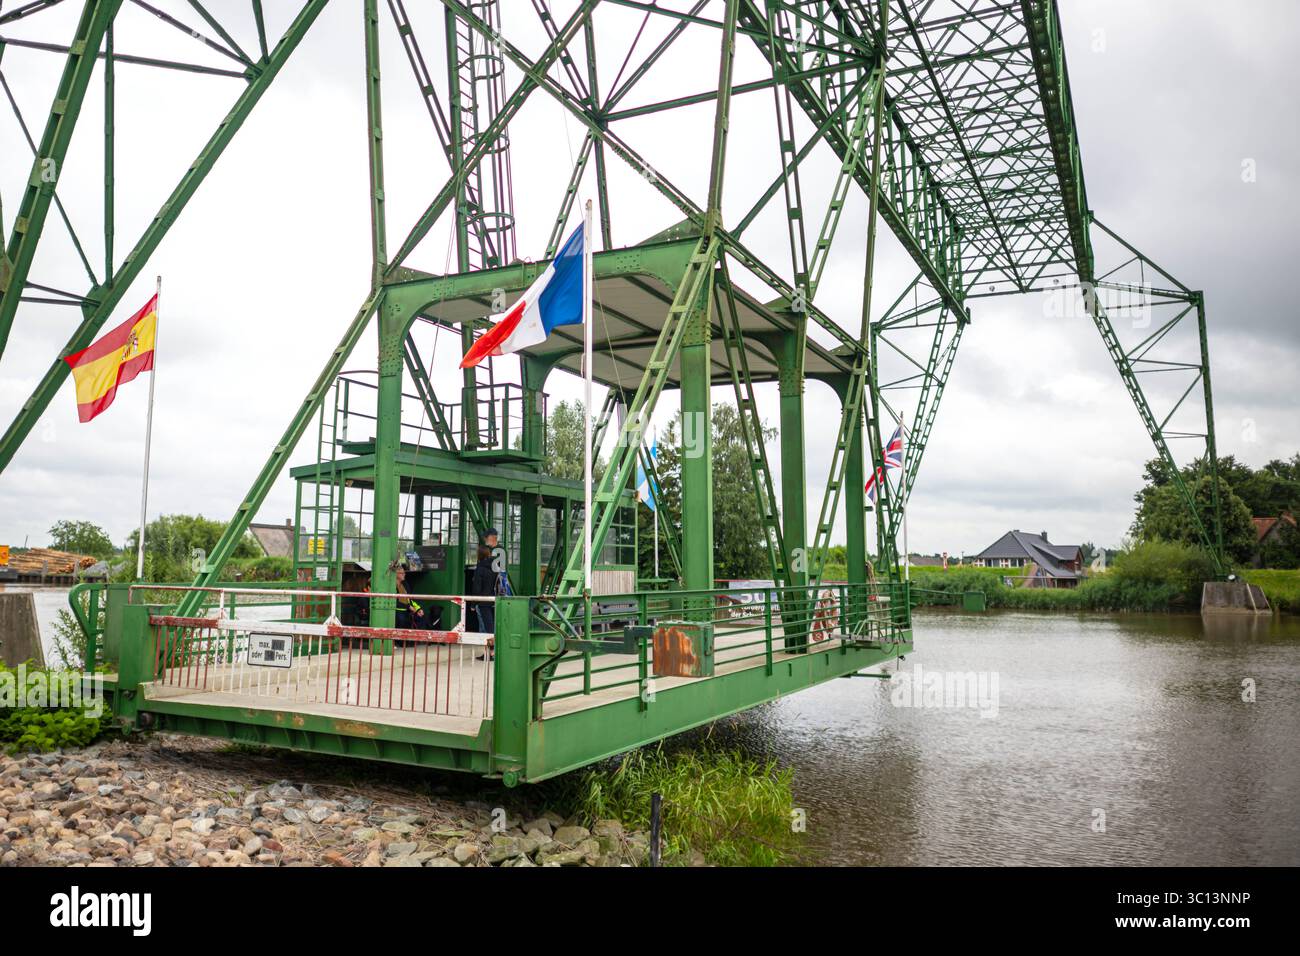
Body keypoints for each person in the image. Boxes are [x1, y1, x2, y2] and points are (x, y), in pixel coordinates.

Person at [469, 527, 499, 635]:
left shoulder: (480, 569)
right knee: (491, 626)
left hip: (482, 601)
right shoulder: (495, 567)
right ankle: (491, 650)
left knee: (484, 628)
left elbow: (476, 588)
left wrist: (473, 604)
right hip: (493, 599)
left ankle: (489, 651)